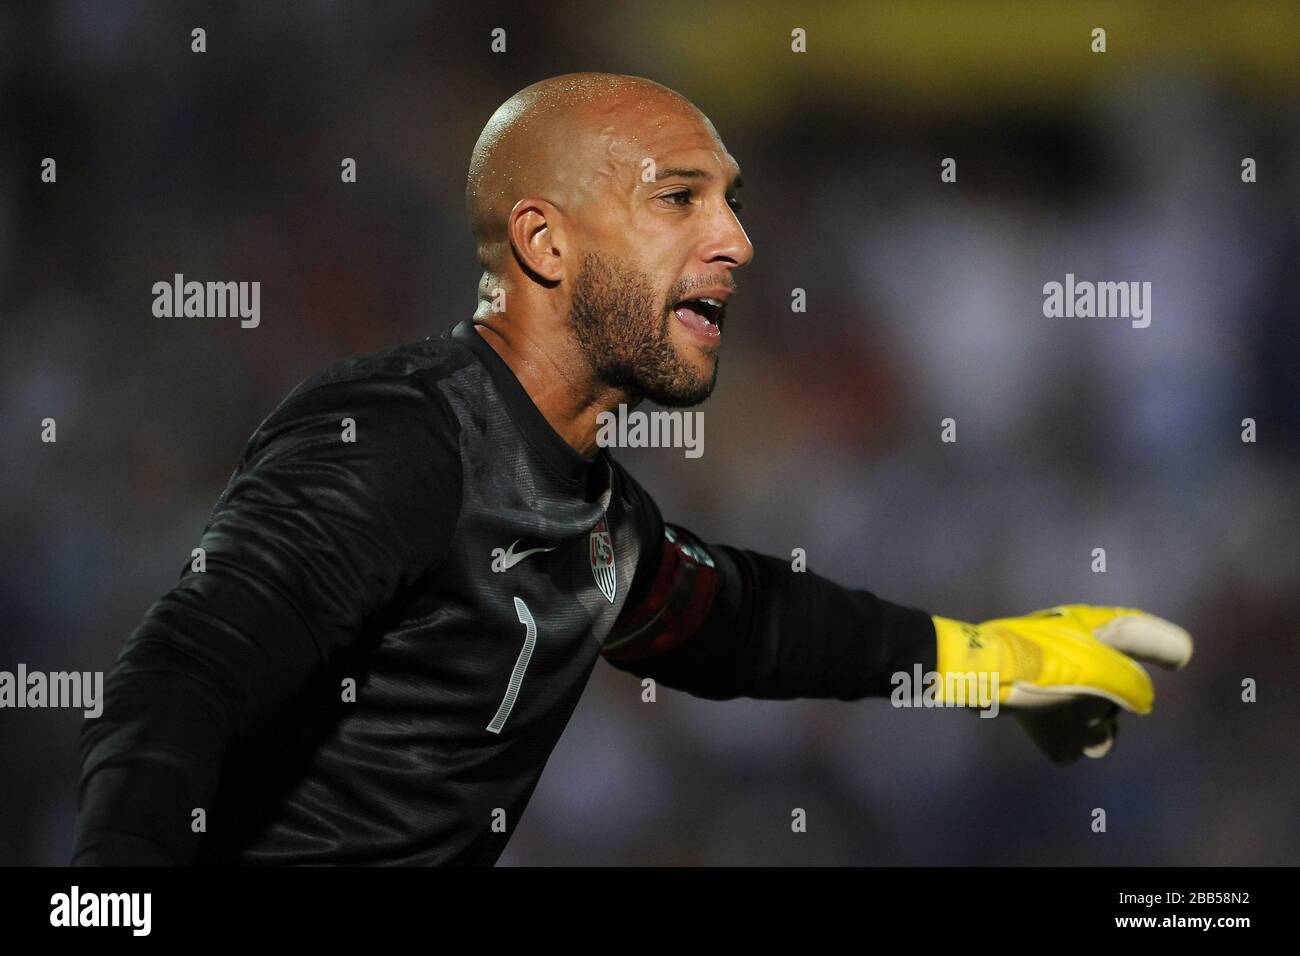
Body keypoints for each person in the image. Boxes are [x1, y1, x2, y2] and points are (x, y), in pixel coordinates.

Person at [73, 72, 1192, 866]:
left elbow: (750, 625)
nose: (736, 242)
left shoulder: (593, 519)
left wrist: (985, 659)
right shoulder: (401, 439)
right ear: (545, 243)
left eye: (732, 202)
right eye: (678, 199)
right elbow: (186, 667)